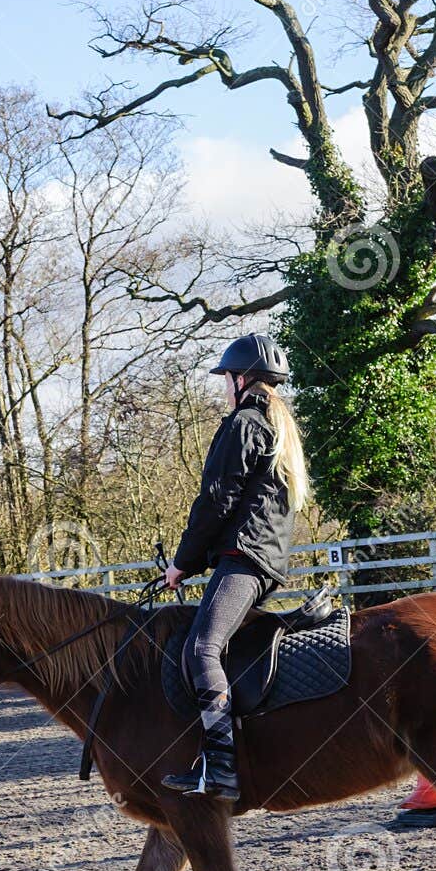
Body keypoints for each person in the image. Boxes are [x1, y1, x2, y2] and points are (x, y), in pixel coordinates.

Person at [161, 333, 310, 801]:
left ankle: (221, 768)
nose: (224, 387)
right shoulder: (277, 426)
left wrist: (182, 563)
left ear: (241, 378)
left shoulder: (244, 422)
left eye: (226, 378)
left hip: (243, 560)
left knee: (201, 648)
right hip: (263, 559)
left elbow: (215, 500)